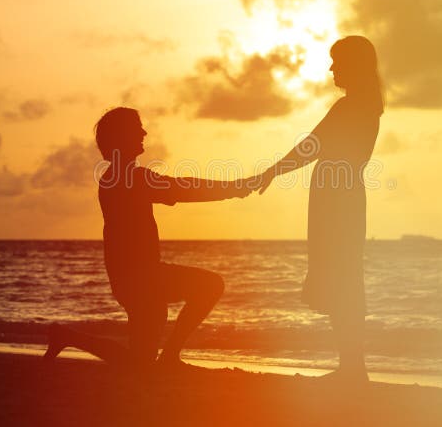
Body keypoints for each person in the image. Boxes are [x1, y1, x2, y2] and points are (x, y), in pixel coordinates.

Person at [45, 107, 251, 369]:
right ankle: (169, 357)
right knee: (211, 285)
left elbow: (178, 188)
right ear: (121, 137)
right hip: (142, 280)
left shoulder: (115, 177)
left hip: (135, 279)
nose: (144, 132)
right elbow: (182, 188)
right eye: (136, 129)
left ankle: (66, 336)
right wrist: (233, 188)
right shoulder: (128, 177)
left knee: (139, 361)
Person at [252, 35, 384, 383]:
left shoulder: (351, 107)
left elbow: (312, 146)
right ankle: (352, 365)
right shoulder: (367, 104)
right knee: (343, 275)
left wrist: (273, 171)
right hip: (343, 195)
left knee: (340, 276)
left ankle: (353, 367)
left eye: (337, 62)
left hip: (336, 200)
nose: (331, 69)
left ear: (354, 66)